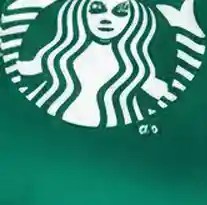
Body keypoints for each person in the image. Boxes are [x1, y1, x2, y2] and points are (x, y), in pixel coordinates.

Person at [15, 0, 169, 127]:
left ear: (133, 18)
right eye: (97, 8)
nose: (107, 18)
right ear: (81, 12)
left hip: (119, 141)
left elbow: (162, 92)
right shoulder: (56, 54)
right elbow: (23, 70)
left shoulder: (135, 65)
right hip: (48, 132)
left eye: (121, 10)